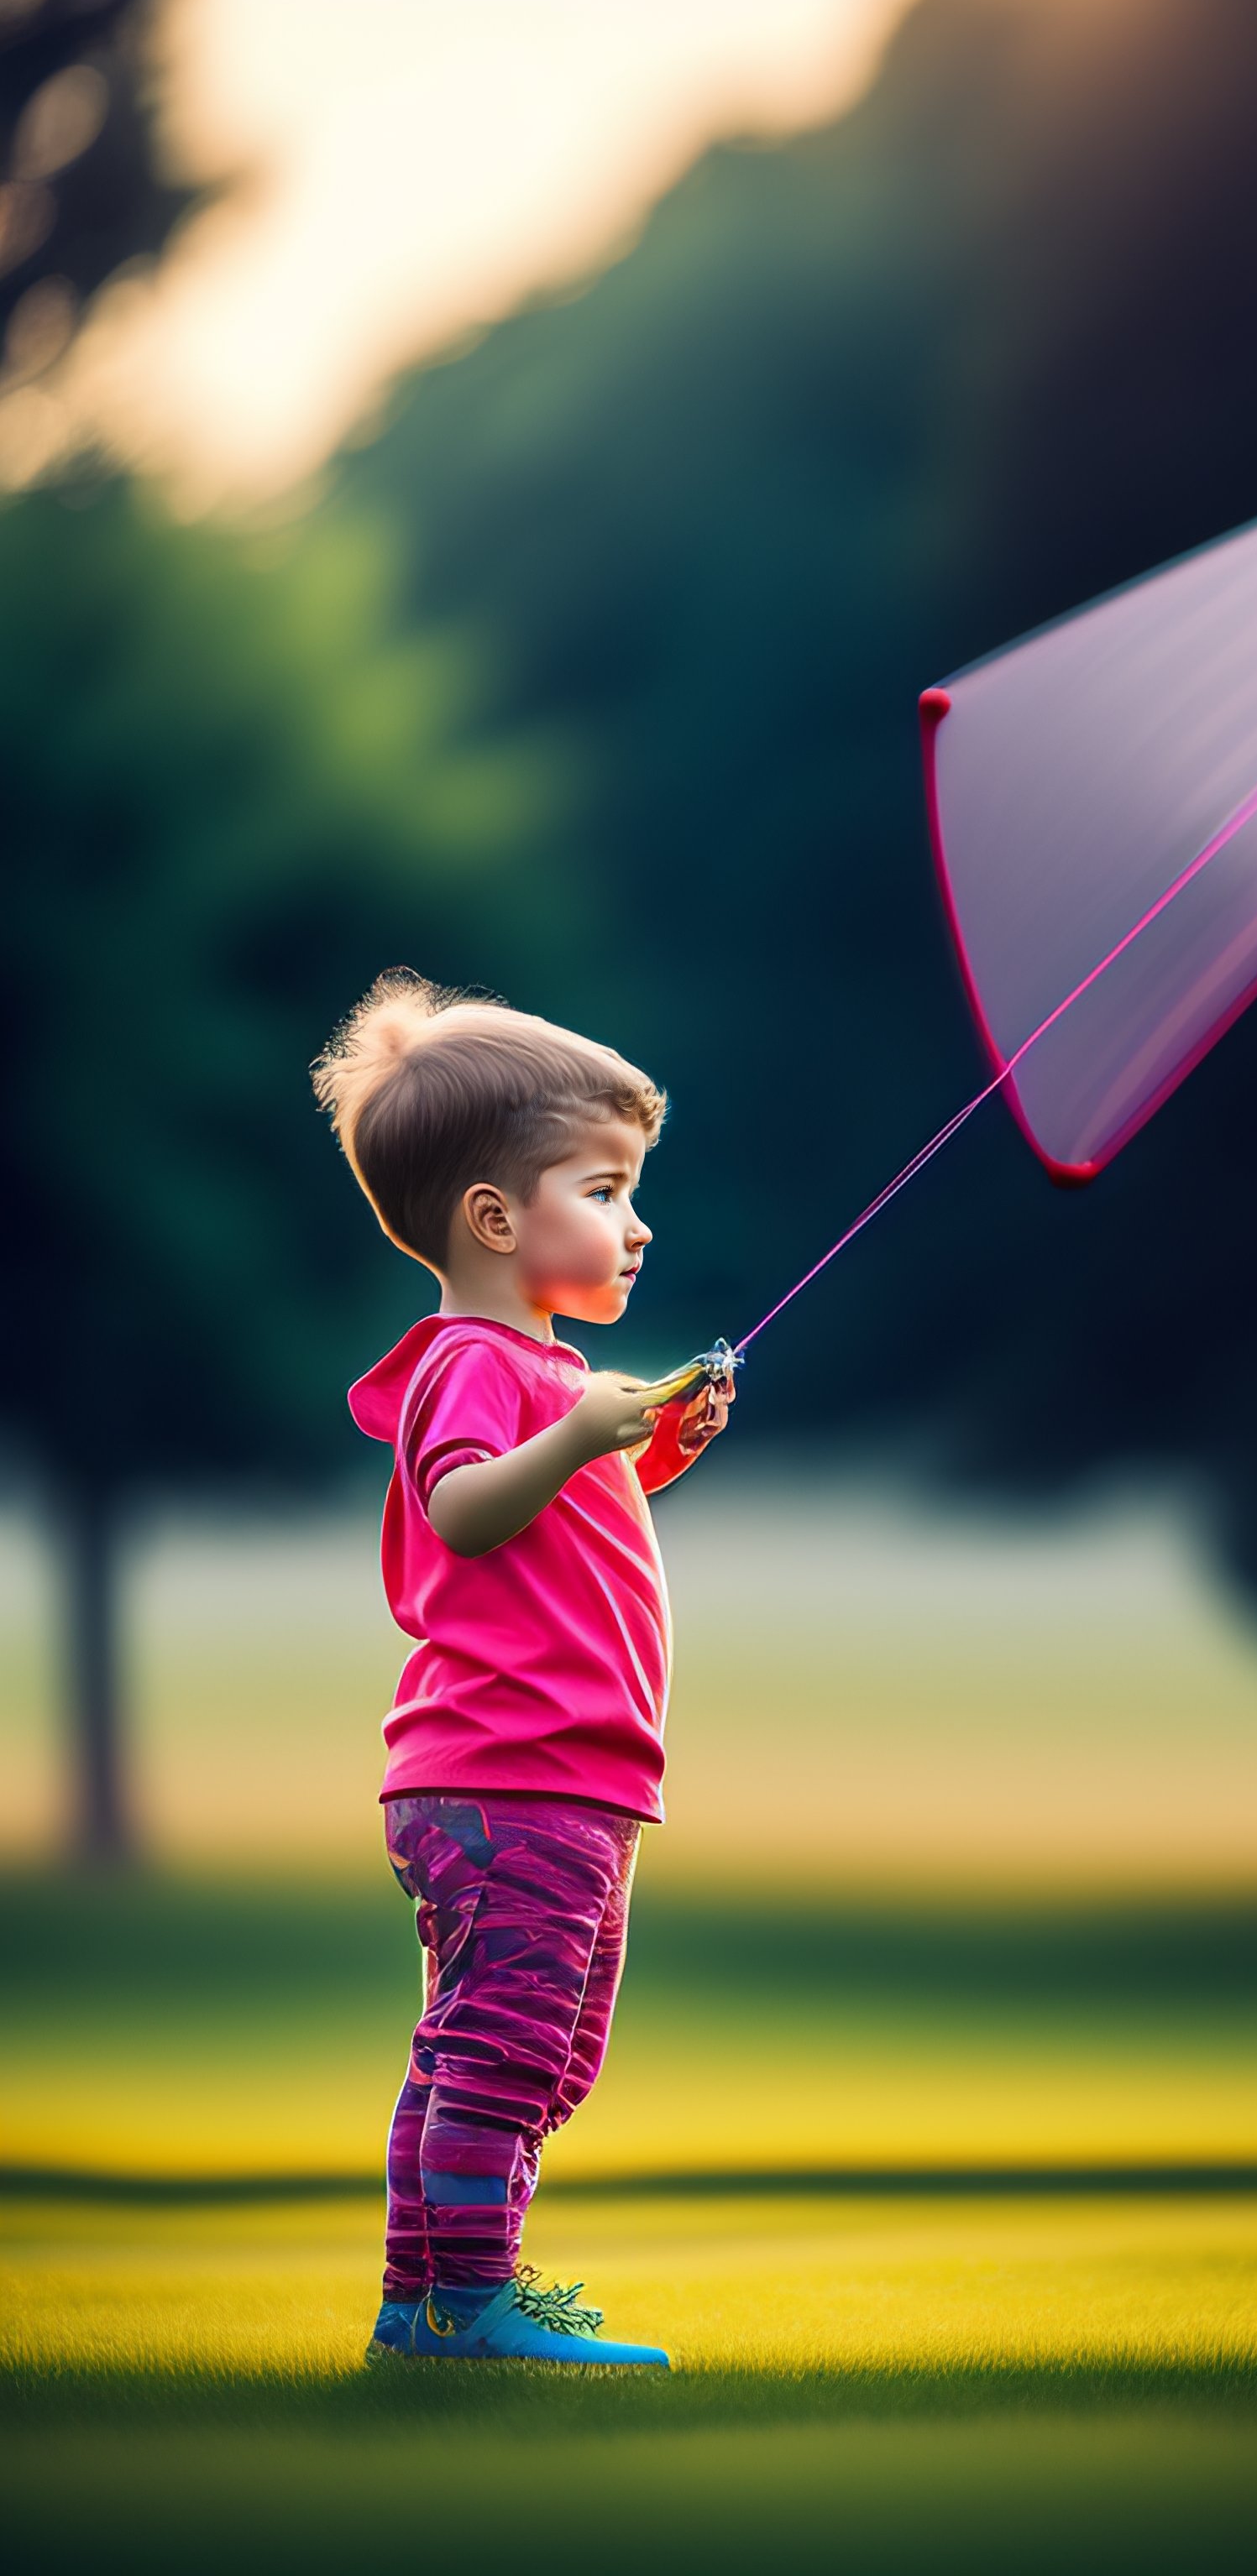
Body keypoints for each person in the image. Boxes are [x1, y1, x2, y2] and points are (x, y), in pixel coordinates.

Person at [312, 969, 732, 2367]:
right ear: (495, 1219)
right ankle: (471, 2304)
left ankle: (425, 2307)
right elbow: (466, 1510)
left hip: (561, 1782)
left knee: (531, 2051)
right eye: (603, 1190)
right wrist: (581, 1439)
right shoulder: (474, 1367)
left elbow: (552, 1528)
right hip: (509, 1780)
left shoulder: (544, 1379)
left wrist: (653, 1448)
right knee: (494, 2047)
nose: (637, 1224)